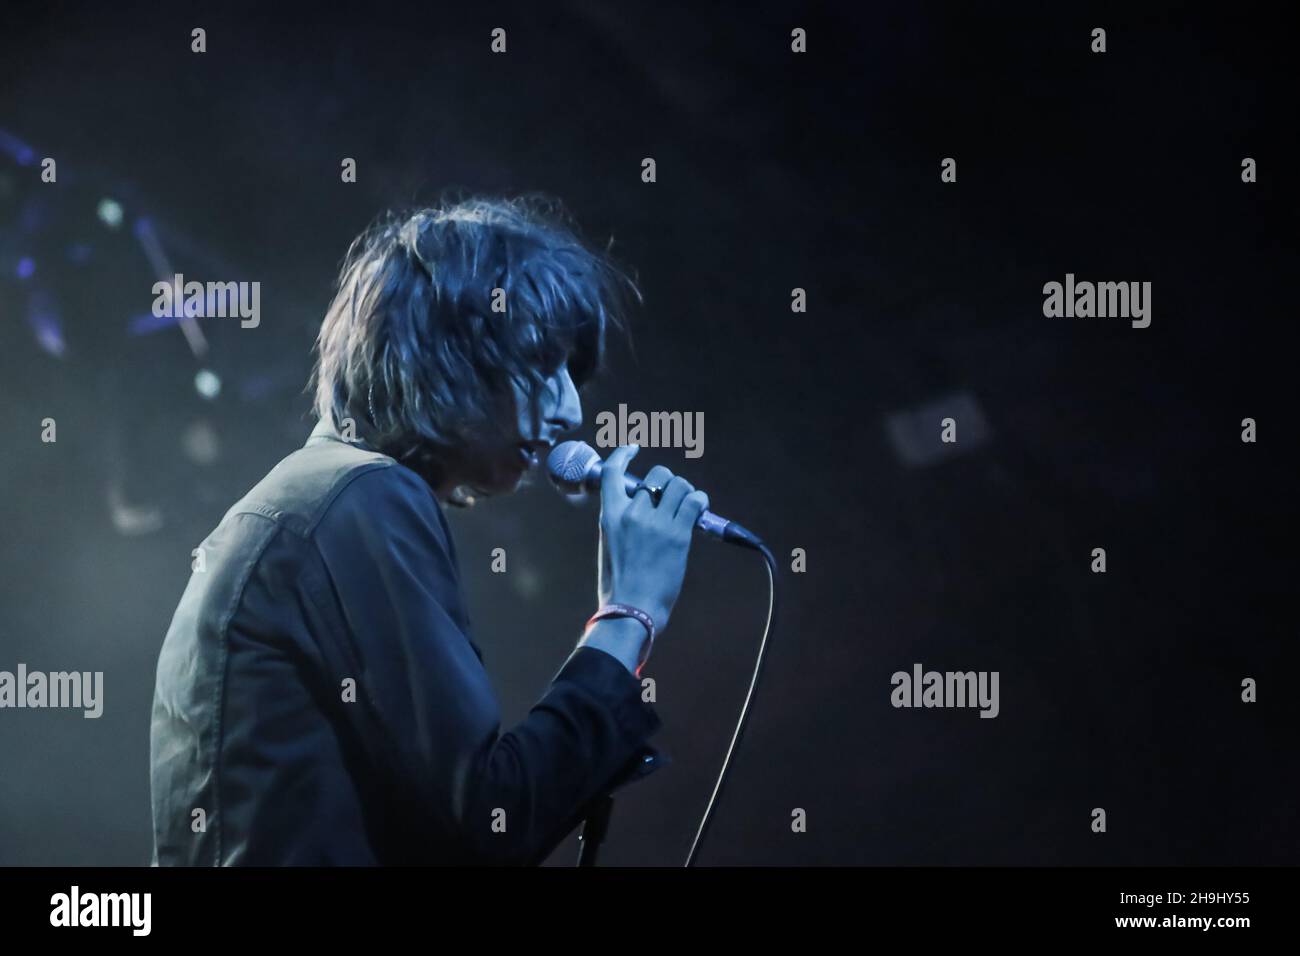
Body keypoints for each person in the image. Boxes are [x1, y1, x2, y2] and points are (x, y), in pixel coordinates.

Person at [149, 197, 709, 864]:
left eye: (572, 371)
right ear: (442, 354)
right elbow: (488, 820)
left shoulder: (320, 498)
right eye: (541, 362)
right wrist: (628, 612)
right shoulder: (361, 497)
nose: (570, 407)